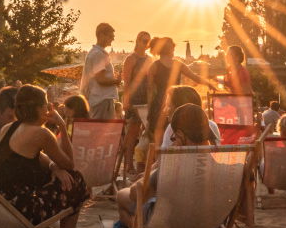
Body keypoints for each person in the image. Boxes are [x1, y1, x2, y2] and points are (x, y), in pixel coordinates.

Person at [0, 85, 90, 228]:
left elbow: (30, 156)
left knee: (56, 176)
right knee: (76, 180)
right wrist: (61, 125)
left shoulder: (8, 128)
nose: (49, 108)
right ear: (38, 108)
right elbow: (70, 164)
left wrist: (53, 167)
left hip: (1, 203)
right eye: (46, 104)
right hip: (23, 210)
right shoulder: (41, 133)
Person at [115, 103, 214, 228]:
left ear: (180, 135)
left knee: (121, 198)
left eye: (174, 136)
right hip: (208, 219)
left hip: (170, 219)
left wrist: (156, 167)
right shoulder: (225, 161)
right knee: (192, 199)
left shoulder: (174, 162)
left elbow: (137, 193)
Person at [146, 37, 218, 135]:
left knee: (158, 134)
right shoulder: (177, 64)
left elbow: (150, 90)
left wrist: (150, 109)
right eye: (173, 48)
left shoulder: (154, 66)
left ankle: (161, 149)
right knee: (178, 131)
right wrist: (209, 84)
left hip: (159, 103)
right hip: (176, 101)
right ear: (170, 49)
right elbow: (194, 77)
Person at [121, 31, 153, 174]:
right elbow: (126, 82)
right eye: (143, 40)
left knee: (148, 132)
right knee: (132, 133)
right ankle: (128, 164)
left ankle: (144, 163)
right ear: (137, 41)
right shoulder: (131, 59)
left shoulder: (149, 59)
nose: (145, 43)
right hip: (134, 99)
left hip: (146, 99)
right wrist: (126, 100)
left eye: (148, 41)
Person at [80, 23, 121, 119]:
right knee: (102, 131)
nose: (113, 39)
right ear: (102, 35)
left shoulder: (95, 53)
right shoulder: (99, 54)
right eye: (111, 36)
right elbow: (101, 80)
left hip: (97, 99)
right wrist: (116, 81)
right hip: (102, 99)